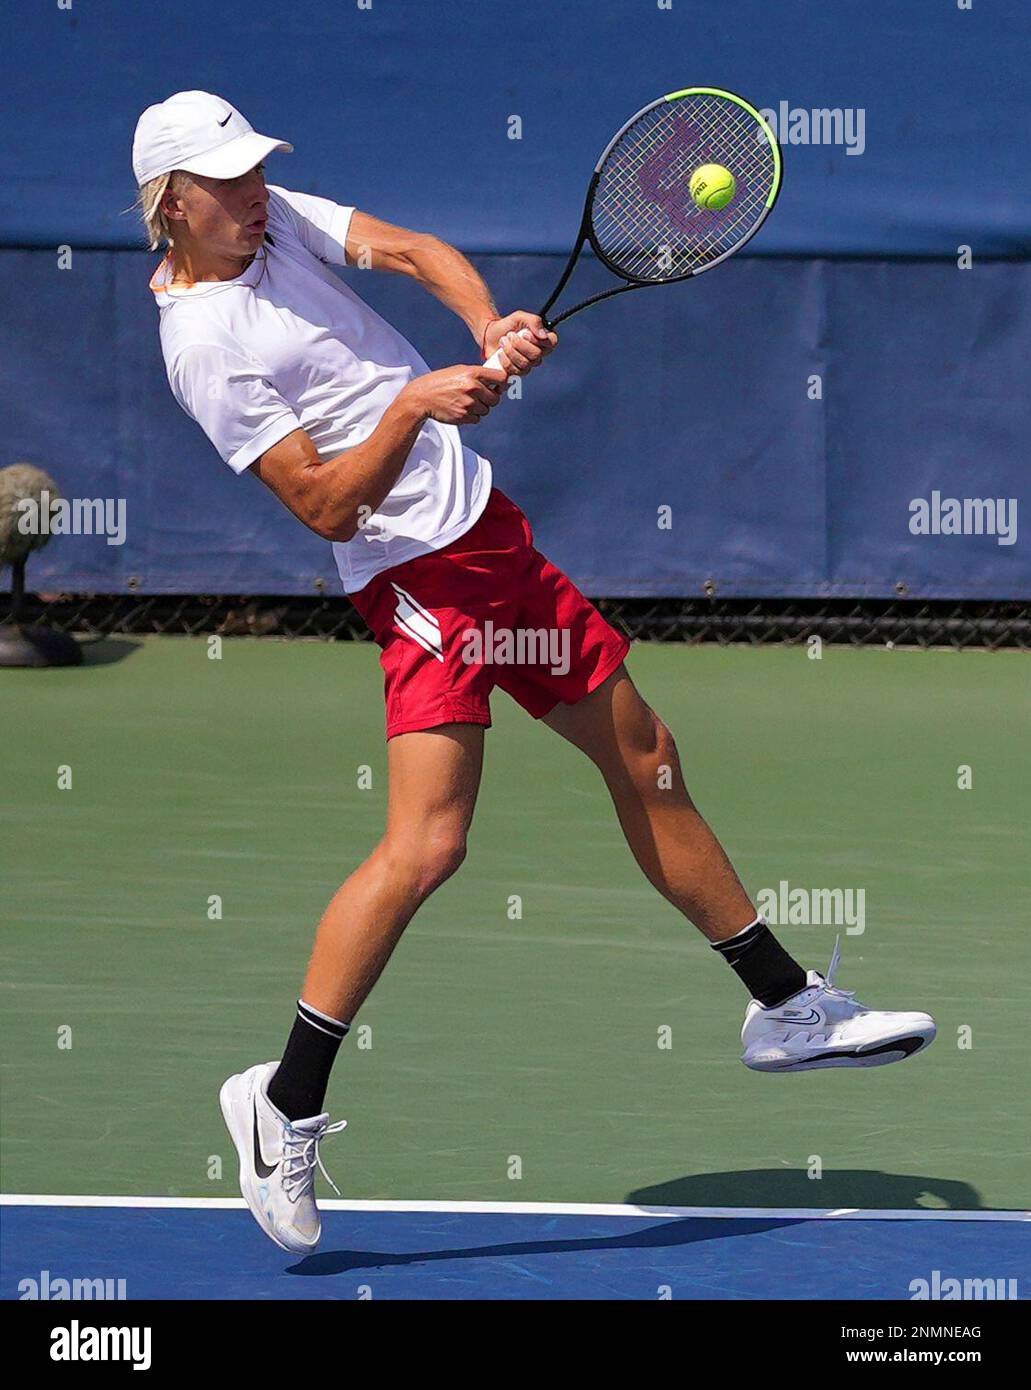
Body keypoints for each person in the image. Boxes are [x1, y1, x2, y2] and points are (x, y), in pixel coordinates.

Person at [133, 91, 936, 1255]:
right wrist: (416, 402)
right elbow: (321, 506)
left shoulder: (272, 225)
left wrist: (484, 326)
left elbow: (406, 249)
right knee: (428, 846)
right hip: (417, 579)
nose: (254, 191)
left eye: (257, 169)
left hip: (486, 534)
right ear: (171, 203)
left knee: (644, 754)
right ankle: (283, 1102)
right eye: (228, 180)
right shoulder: (201, 345)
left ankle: (783, 1004)